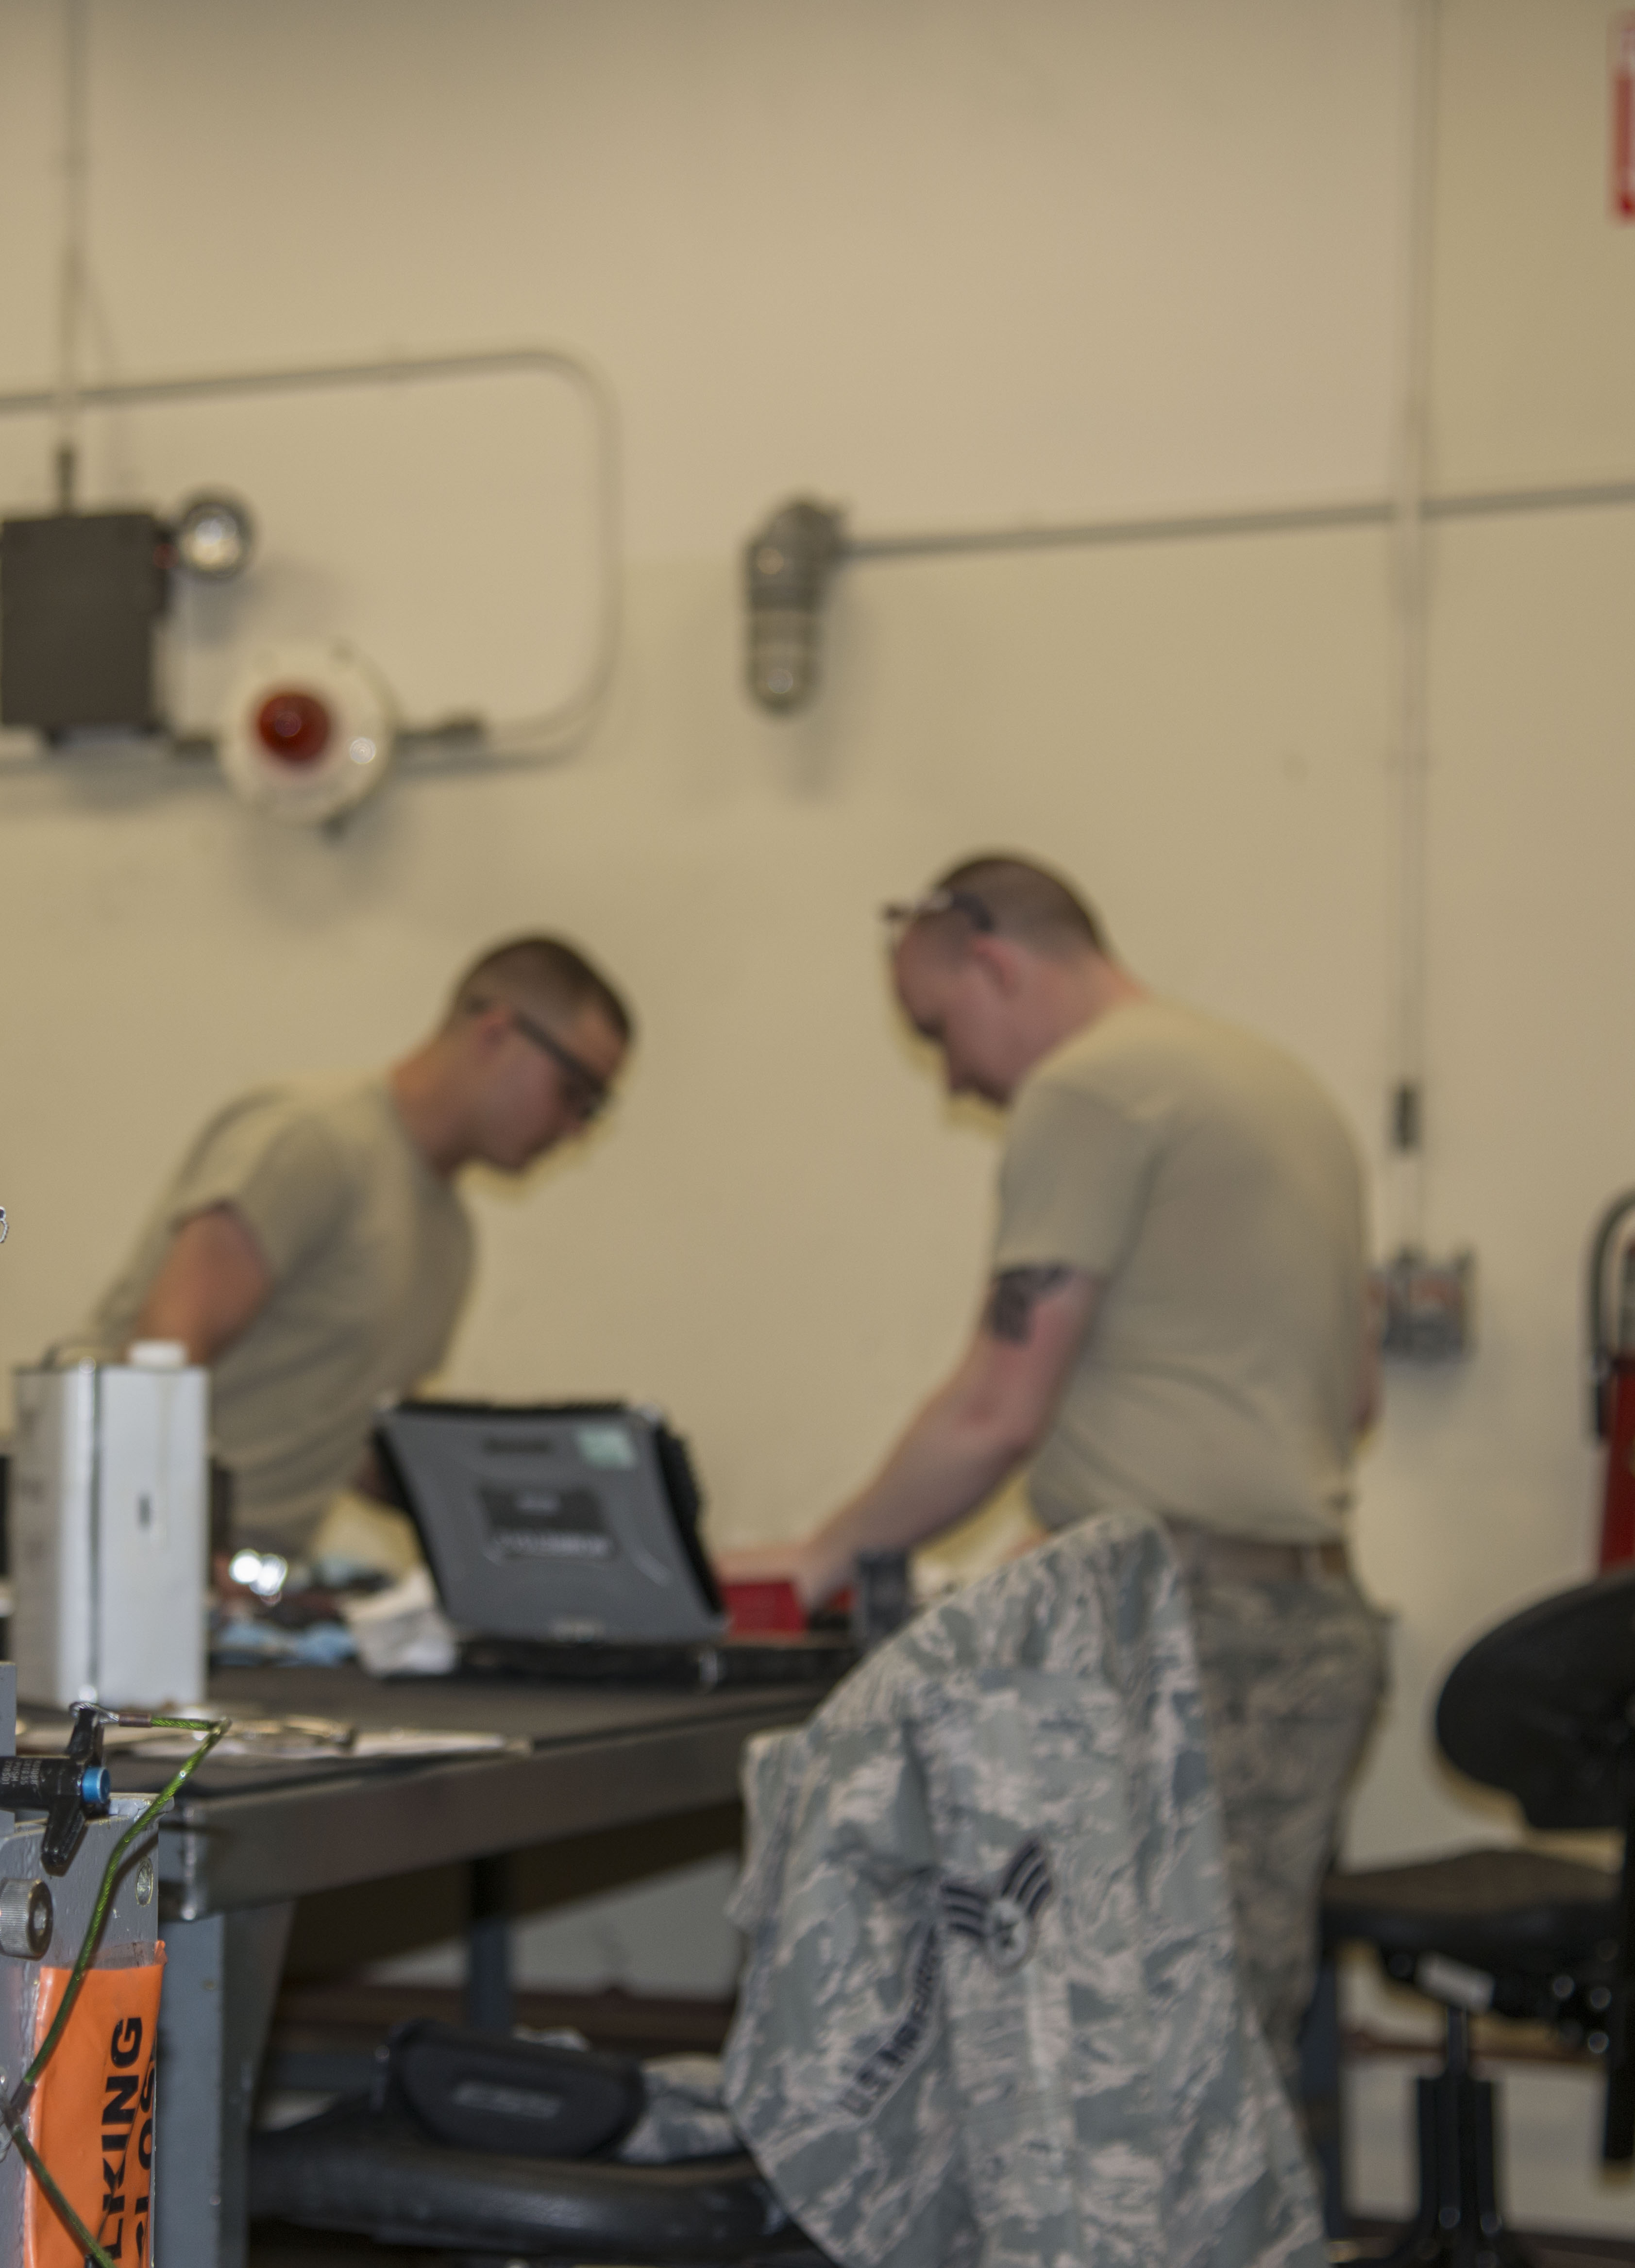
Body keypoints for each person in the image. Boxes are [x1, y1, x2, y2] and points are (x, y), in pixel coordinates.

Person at [725, 853, 1384, 2075]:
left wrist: (825, 1555)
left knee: (1141, 2068)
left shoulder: (1092, 1090)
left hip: (1184, 1628)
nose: (956, 1074)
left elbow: (996, 1405)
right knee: (1229, 2041)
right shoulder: (1277, 1086)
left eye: (940, 1025)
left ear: (994, 959)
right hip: (1304, 1621)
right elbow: (1346, 1396)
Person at [84, 936, 632, 1562]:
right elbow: (158, 1356)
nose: (577, 1131)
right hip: (130, 1560)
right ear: (496, 1032)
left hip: (246, 1583)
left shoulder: (451, 1236)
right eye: (573, 1092)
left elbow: (350, 1441)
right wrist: (177, 1558)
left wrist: (536, 1517)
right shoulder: (314, 1140)